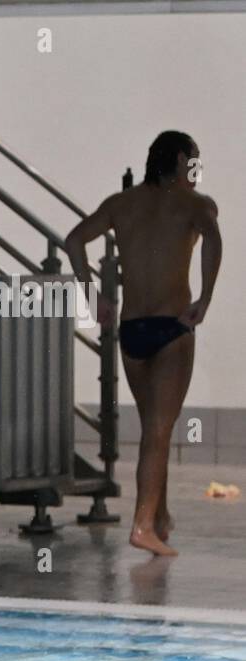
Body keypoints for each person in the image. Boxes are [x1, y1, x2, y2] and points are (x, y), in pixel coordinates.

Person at [64, 131, 222, 556]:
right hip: (172, 327)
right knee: (157, 430)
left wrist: (91, 293)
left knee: (156, 428)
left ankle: (161, 516)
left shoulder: (122, 204)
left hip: (132, 331)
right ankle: (141, 526)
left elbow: (74, 240)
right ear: (180, 161)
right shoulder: (196, 205)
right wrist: (204, 299)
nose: (197, 171)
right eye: (194, 162)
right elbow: (213, 240)